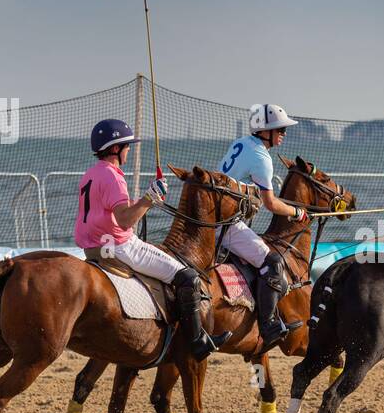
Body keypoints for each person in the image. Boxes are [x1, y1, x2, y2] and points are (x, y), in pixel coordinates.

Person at [75, 119, 219, 360]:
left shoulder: (90, 174)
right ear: (115, 148)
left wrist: (145, 201)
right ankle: (197, 341)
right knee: (188, 277)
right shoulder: (113, 176)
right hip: (119, 247)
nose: (129, 150)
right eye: (126, 146)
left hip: (92, 250)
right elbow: (124, 220)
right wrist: (149, 198)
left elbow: (108, 213)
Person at [218, 103, 310, 350]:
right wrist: (297, 212)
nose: (284, 134)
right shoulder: (262, 157)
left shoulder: (241, 143)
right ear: (265, 131)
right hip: (226, 224)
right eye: (280, 129)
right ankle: (269, 326)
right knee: (273, 263)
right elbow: (270, 203)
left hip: (216, 216)